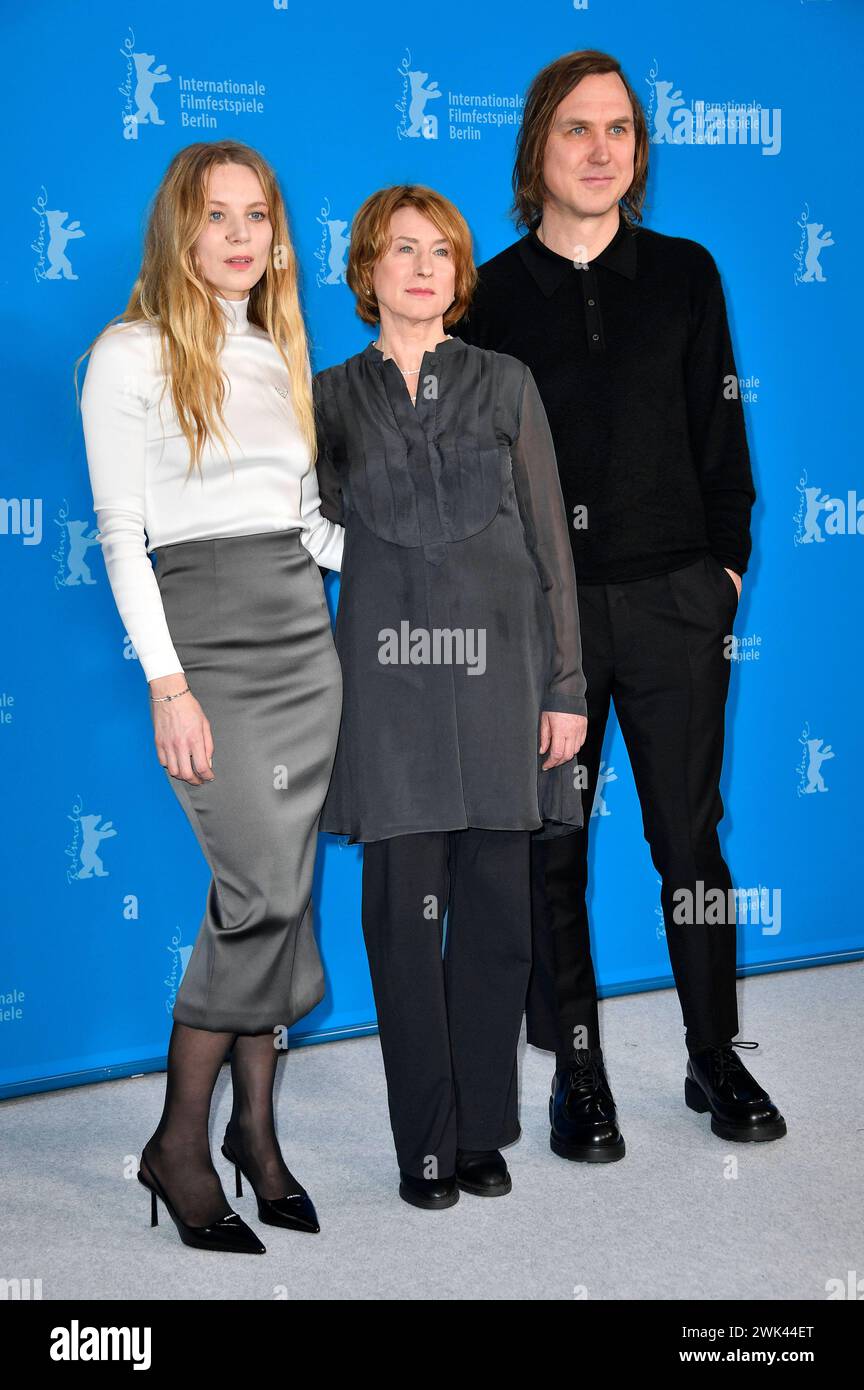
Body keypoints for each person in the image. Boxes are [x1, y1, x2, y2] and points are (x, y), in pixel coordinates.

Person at [451, 49, 786, 1158]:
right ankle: (577, 1077)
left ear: (638, 154)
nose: (600, 151)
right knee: (554, 847)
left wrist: (723, 574)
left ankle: (713, 1054)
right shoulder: (488, 299)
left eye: (620, 132)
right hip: (545, 624)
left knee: (689, 840)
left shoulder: (688, 275)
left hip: (676, 606)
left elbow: (722, 442)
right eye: (576, 131)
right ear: (536, 150)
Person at [77, 139, 344, 1252]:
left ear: (276, 237)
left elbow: (310, 524)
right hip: (206, 643)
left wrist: (407, 561)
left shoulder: (280, 354)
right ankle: (183, 1141)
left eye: (257, 216)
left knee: (285, 889)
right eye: (216, 214)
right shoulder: (129, 354)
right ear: (179, 230)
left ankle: (257, 1138)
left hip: (300, 636)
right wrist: (168, 684)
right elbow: (125, 536)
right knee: (256, 894)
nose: (239, 235)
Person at [311, 184, 588, 1210]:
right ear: (367, 270)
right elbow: (310, 528)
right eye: (400, 249)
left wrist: (565, 687)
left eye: (441, 251)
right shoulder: (330, 396)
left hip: (506, 685)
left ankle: (480, 1132)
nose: (422, 267)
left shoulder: (508, 383)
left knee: (495, 922)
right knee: (398, 920)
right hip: (388, 687)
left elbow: (553, 544)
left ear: (460, 273)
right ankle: (422, 1144)